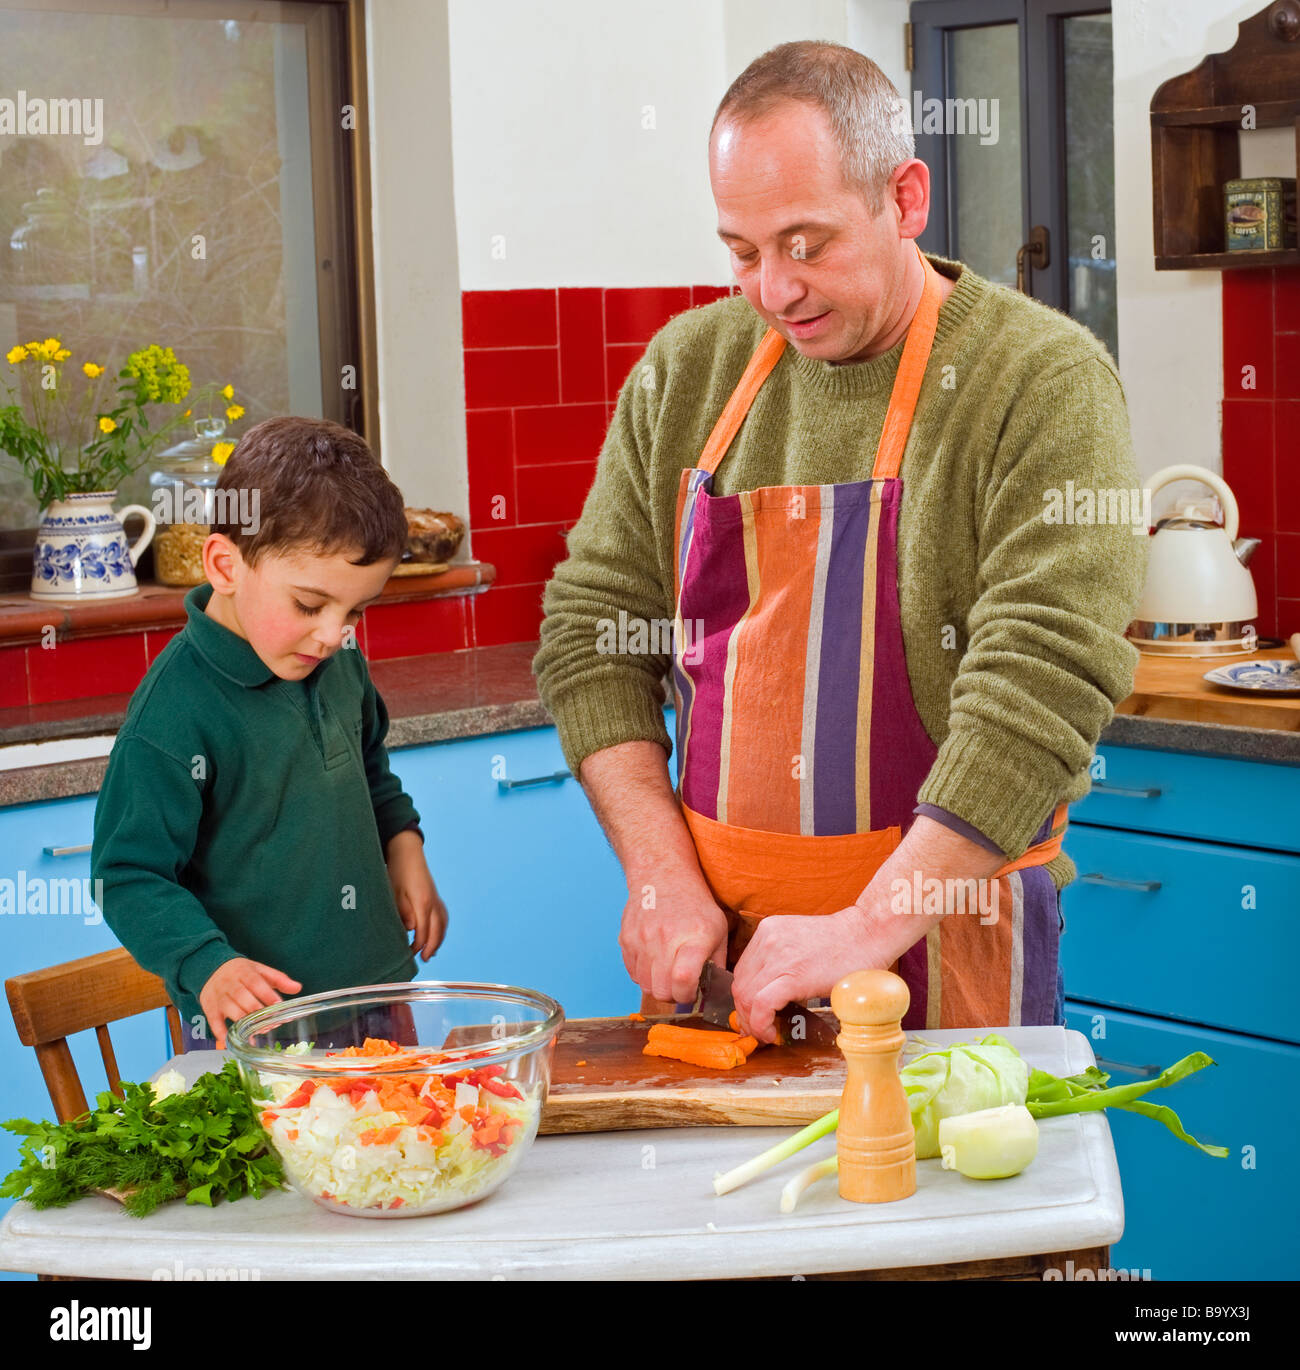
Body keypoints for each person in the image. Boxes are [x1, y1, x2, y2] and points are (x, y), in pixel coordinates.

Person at [534, 41, 1147, 1042]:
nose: (773, 289)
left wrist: (866, 922)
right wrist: (658, 873)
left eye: (805, 242)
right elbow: (593, 627)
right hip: (723, 966)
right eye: (741, 250)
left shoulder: (1040, 379)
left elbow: (1043, 679)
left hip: (944, 951)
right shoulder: (687, 368)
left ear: (906, 198)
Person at [92, 417, 448, 1049]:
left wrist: (405, 845)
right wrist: (208, 965)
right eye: (310, 606)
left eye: (355, 610)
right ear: (225, 564)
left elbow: (371, 768)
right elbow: (127, 875)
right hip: (259, 1026)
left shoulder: (335, 660)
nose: (335, 634)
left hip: (378, 994)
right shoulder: (172, 716)